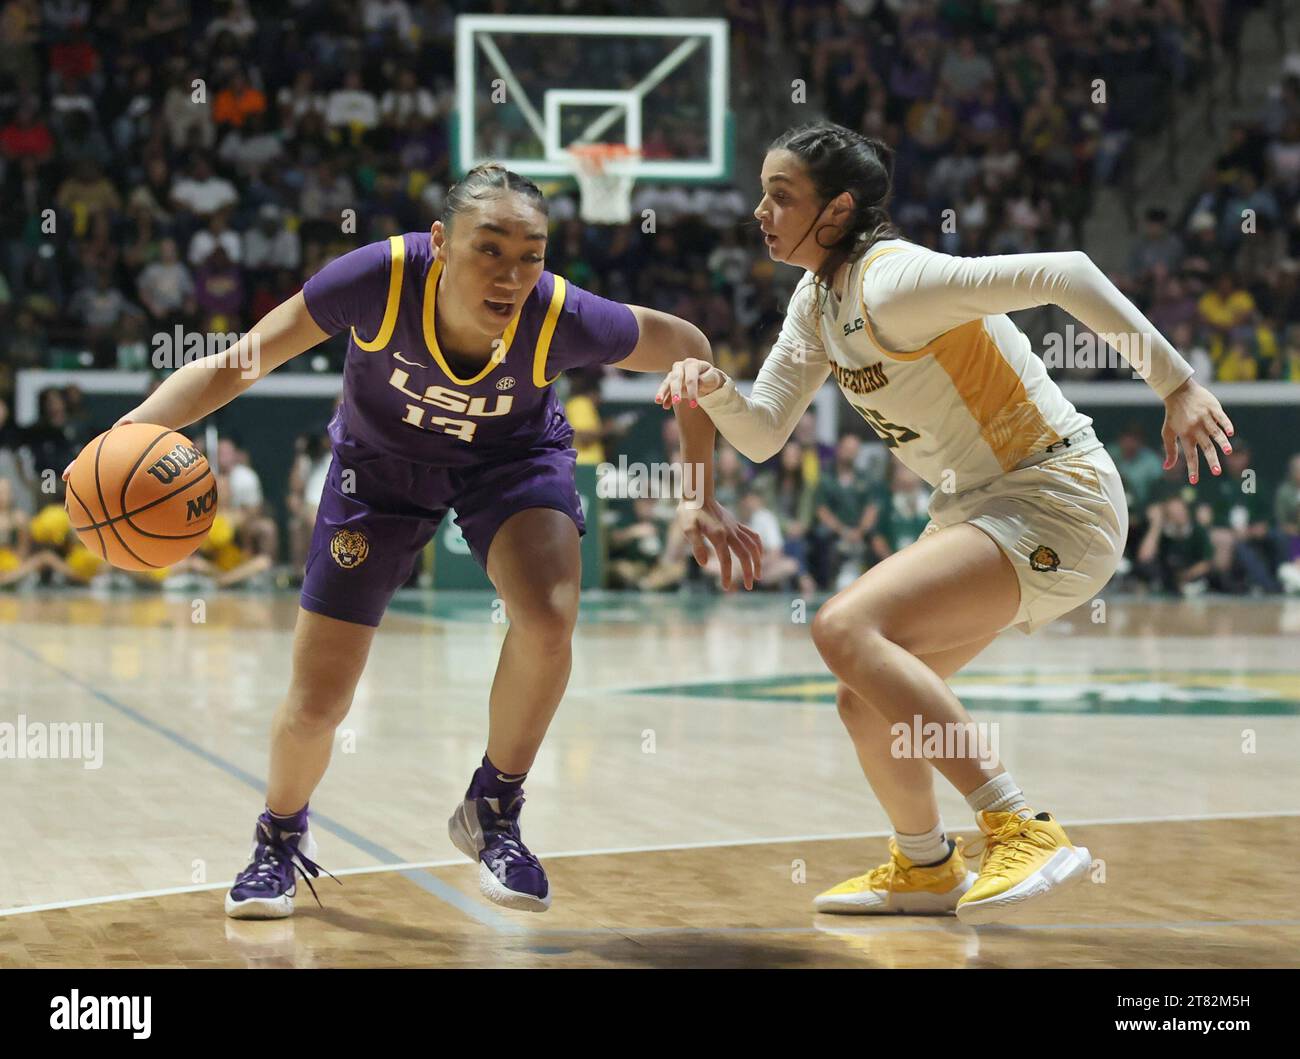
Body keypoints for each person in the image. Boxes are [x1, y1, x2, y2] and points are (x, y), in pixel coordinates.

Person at [65, 163, 760, 920]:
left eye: (532, 252)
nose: (513, 271)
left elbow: (689, 347)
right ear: (440, 242)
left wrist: (699, 493)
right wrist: (133, 429)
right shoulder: (380, 278)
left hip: (511, 461)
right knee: (318, 701)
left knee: (550, 616)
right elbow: (242, 363)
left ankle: (493, 808)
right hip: (377, 475)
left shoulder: (557, 313)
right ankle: (279, 837)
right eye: (489, 248)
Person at [655, 121, 1231, 924]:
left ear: (836, 211)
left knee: (843, 625)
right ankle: (924, 865)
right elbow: (760, 434)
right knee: (862, 695)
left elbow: (1066, 271)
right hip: (983, 505)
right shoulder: (818, 298)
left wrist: (1176, 383)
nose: (759, 211)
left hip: (1053, 492)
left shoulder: (895, 280)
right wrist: (712, 385)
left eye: (780, 196)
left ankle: (1017, 824)